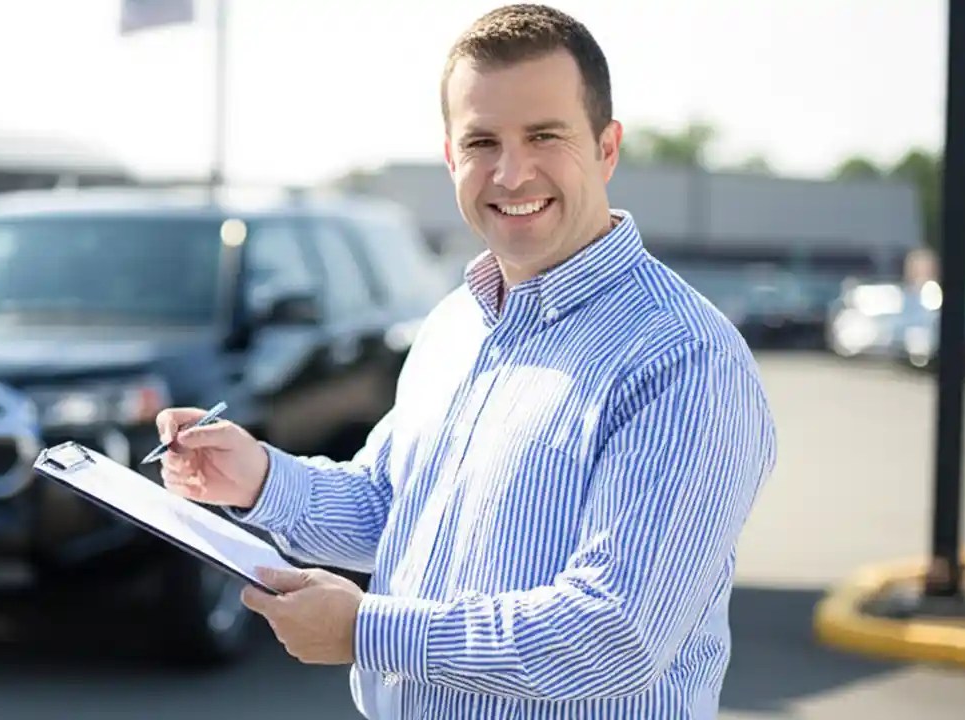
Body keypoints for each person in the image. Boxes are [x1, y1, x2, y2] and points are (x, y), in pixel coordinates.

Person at [156, 4, 777, 718]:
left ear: (607, 148)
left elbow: (615, 634)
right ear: (451, 157)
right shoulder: (456, 324)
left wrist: (365, 630)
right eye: (482, 141)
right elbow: (394, 507)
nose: (512, 174)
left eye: (545, 136)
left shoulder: (683, 358)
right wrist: (259, 477)